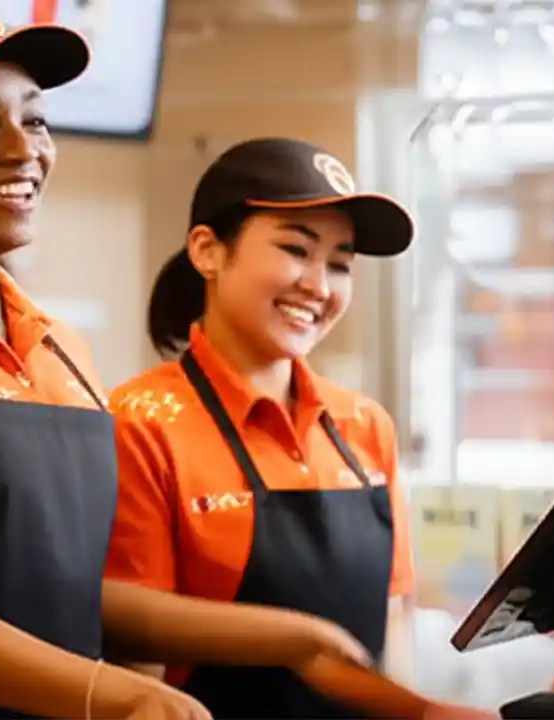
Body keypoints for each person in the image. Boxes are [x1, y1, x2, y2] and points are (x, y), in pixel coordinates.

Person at [0, 6, 377, 719]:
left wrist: (294, 638)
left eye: (37, 121)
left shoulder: (61, 348)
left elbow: (77, 597)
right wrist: (113, 696)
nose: (24, 150)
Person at [105, 137, 432, 718]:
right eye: (295, 250)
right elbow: (138, 668)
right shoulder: (140, 424)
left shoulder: (363, 426)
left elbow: (393, 629)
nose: (320, 286)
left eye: (339, 263)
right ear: (207, 251)